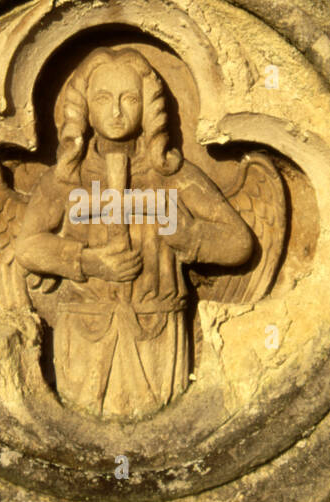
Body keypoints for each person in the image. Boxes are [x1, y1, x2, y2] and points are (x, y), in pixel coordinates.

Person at [13, 47, 253, 419]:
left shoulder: (172, 174)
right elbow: (28, 247)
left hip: (157, 325)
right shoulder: (66, 177)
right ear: (84, 107)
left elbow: (239, 243)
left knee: (165, 423)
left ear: (149, 106)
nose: (116, 112)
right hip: (85, 326)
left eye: (129, 99)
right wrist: (88, 262)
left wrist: (185, 235)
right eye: (103, 98)